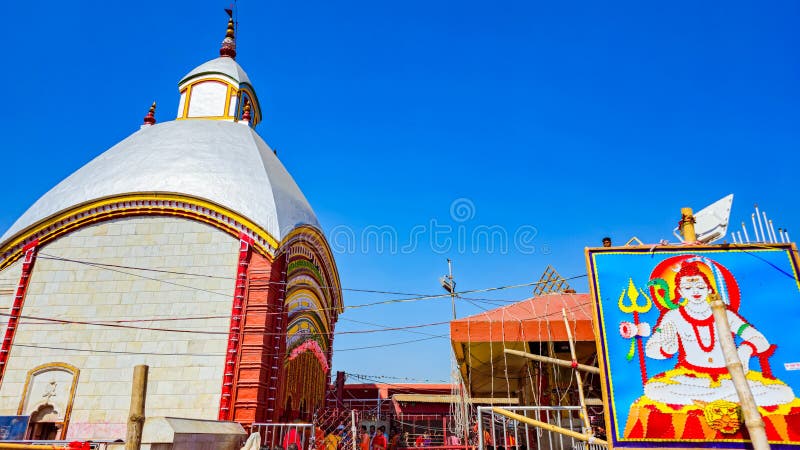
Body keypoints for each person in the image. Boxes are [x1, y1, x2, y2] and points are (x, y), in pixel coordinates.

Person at [642, 258, 795, 406]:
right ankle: (724, 398)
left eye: (700, 287)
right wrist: (665, 349)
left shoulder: (725, 313)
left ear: (709, 289)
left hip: (731, 378)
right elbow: (650, 349)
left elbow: (761, 341)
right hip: (691, 380)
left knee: (784, 393)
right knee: (653, 390)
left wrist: (745, 350)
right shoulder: (673, 316)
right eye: (688, 288)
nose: (695, 291)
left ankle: (716, 398)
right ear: (680, 292)